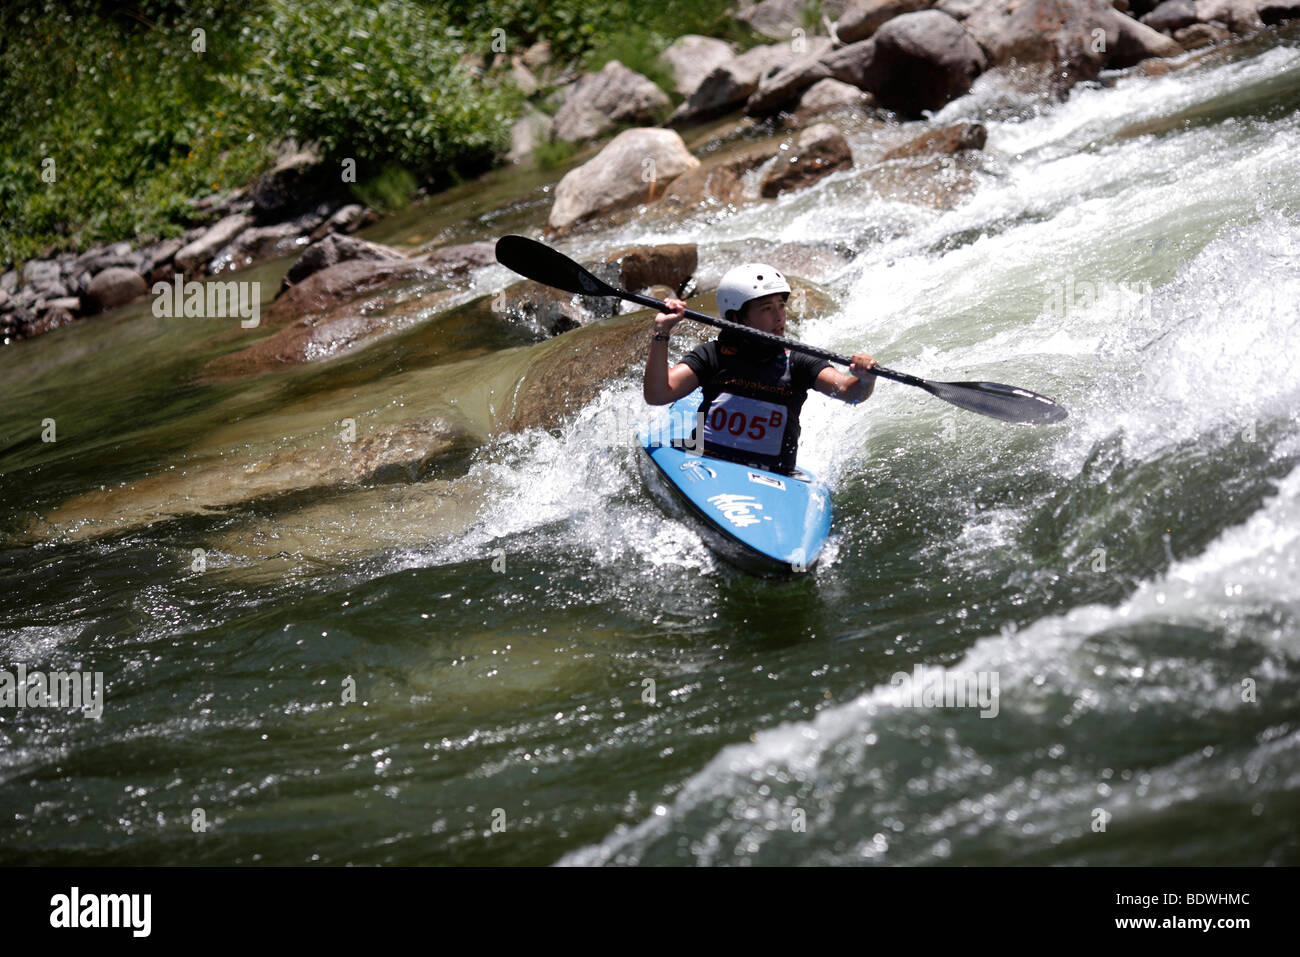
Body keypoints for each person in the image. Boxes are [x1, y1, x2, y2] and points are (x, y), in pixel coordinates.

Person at [643, 262, 878, 476]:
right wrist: (662, 332)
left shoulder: (798, 361)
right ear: (736, 317)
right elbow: (658, 394)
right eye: (766, 309)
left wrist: (865, 378)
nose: (779, 317)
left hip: (774, 477)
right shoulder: (713, 355)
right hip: (707, 465)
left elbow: (850, 392)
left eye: (781, 306)